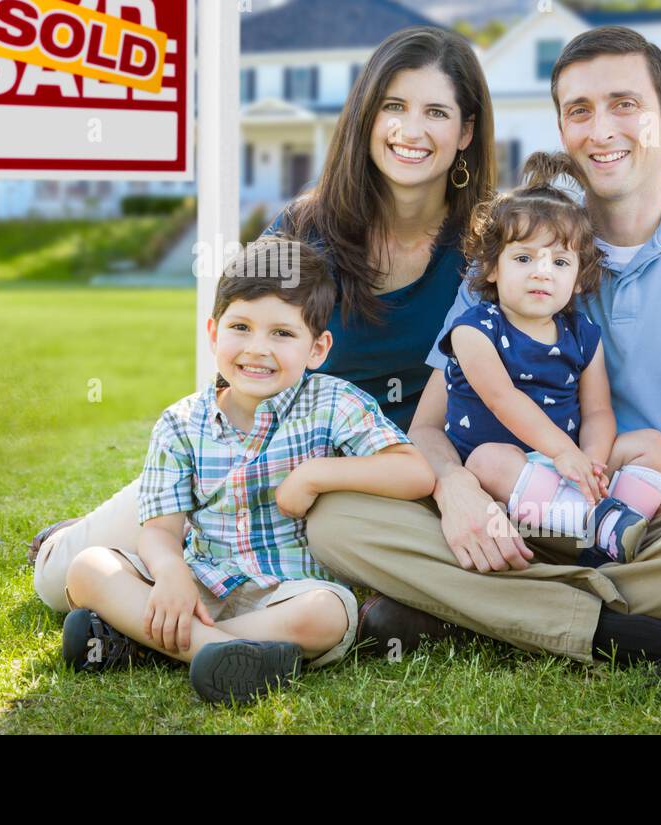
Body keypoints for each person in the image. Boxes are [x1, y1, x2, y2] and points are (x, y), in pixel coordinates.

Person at [30, 24, 661, 616]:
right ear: (366, 116)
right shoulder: (305, 230)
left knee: (329, 575)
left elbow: (591, 224)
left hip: (417, 476)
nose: (411, 130)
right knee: (62, 575)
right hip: (290, 457)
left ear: (466, 131)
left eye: (436, 113)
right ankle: (84, 550)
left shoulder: (495, 242)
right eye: (393, 107)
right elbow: (245, 361)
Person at [305, 26, 661, 684]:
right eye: (579, 110)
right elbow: (429, 426)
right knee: (336, 518)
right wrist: (457, 488)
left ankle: (468, 608)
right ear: (562, 128)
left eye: (625, 104)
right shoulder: (519, 252)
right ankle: (650, 634)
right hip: (525, 509)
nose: (602, 128)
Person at [60, 237, 434, 703]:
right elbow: (159, 530)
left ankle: (143, 644)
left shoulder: (334, 402)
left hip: (287, 593)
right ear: (214, 333)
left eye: (282, 334)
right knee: (88, 568)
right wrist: (172, 573)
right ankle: (224, 653)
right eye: (241, 327)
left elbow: (414, 472)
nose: (257, 349)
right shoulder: (181, 423)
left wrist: (316, 474)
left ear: (317, 348)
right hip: (201, 582)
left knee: (329, 614)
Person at [443, 152, 661, 567]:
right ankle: (599, 527)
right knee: (486, 461)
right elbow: (503, 399)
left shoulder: (582, 334)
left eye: (561, 261)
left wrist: (592, 463)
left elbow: (599, 410)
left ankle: (609, 525)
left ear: (579, 275)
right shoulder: (474, 329)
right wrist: (564, 453)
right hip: (507, 477)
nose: (542, 272)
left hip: (566, 468)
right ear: (492, 267)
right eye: (524, 258)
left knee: (653, 447)